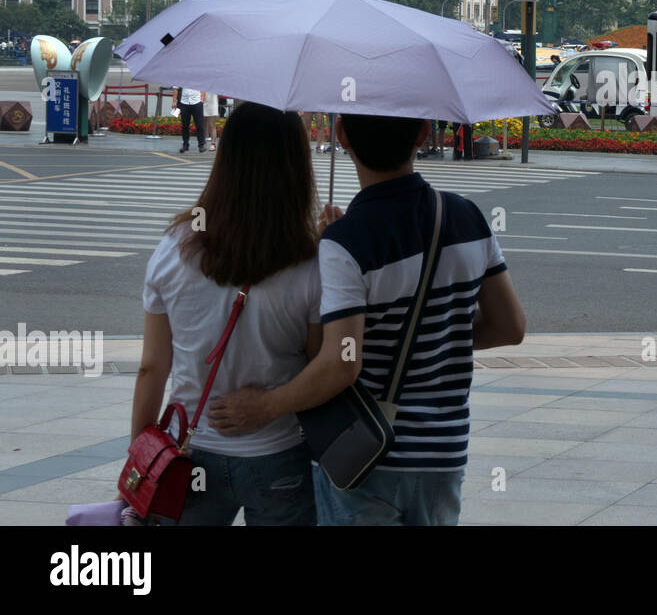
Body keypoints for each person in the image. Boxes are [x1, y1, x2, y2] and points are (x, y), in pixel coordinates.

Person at [208, 113, 526, 526]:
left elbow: (341, 361)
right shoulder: (467, 217)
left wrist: (265, 406)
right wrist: (439, 334)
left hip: (365, 455)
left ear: (341, 135)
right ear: (423, 133)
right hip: (443, 454)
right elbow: (510, 327)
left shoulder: (348, 241)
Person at [130, 103, 322, 525]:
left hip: (187, 457)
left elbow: (151, 368)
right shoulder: (312, 263)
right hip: (279, 457)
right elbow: (320, 366)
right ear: (296, 165)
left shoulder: (175, 248)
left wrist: (140, 466)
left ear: (224, 157)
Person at [174, 86, 205, 153]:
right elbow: (176, 88)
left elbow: (203, 87)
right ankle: (185, 145)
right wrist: (174, 102)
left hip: (196, 102)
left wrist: (202, 100)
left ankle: (201, 145)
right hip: (184, 102)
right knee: (185, 126)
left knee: (199, 125)